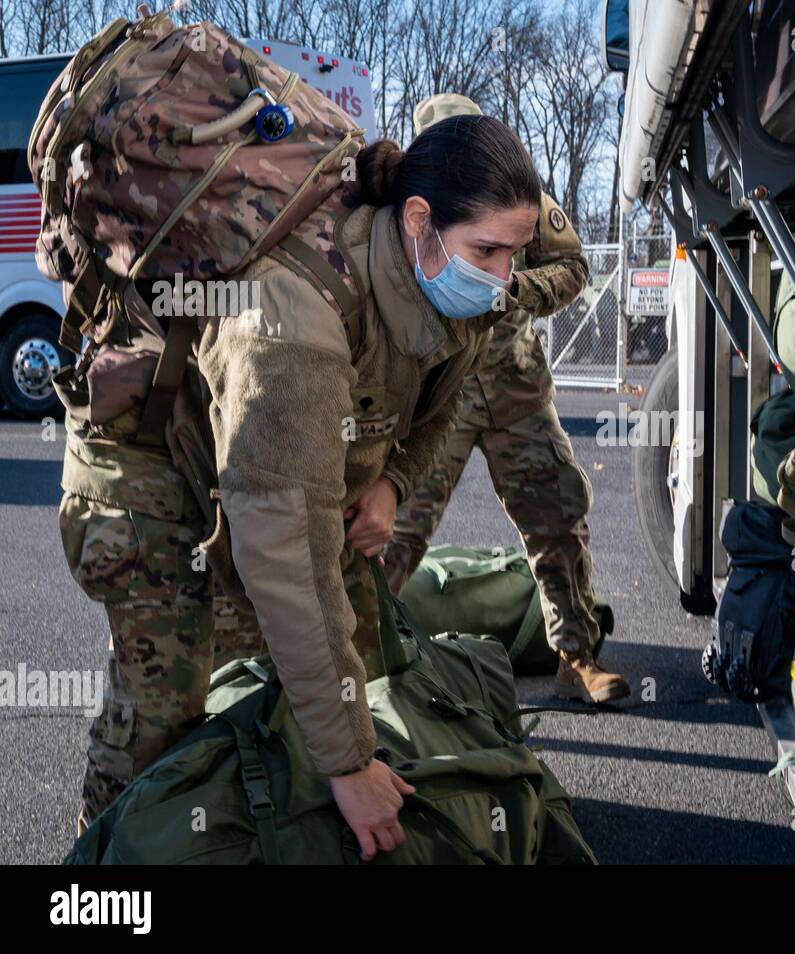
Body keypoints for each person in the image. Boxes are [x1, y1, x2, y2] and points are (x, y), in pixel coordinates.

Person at [59, 114, 550, 860]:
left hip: (256, 461)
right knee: (167, 698)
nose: (502, 277)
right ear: (418, 220)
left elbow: (439, 409)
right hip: (146, 467)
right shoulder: (294, 316)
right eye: (487, 251)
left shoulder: (453, 291)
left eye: (515, 254)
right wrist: (349, 765)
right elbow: (285, 541)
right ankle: (100, 868)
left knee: (316, 670)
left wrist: (391, 481)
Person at [383, 93, 629, 705]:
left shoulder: (518, 197)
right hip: (441, 391)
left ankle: (576, 655)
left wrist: (517, 288)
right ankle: (366, 665)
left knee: (555, 511)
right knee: (395, 524)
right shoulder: (417, 208)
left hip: (515, 389)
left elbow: (572, 266)